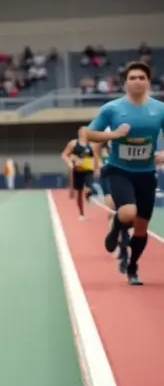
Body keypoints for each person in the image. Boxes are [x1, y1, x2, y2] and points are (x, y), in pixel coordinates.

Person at [81, 62, 164, 285]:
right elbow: (88, 134)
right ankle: (116, 227)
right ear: (125, 82)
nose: (137, 81)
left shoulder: (159, 109)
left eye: (141, 77)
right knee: (128, 213)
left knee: (141, 227)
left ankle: (133, 265)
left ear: (148, 82)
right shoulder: (113, 109)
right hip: (119, 170)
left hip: (146, 173)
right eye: (132, 78)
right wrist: (113, 135)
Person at [60, 131, 98, 220]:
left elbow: (96, 157)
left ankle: (88, 194)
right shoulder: (73, 144)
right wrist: (69, 162)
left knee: (88, 187)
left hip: (88, 170)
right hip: (77, 171)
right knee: (79, 193)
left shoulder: (91, 145)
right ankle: (81, 213)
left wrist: (96, 168)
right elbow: (64, 154)